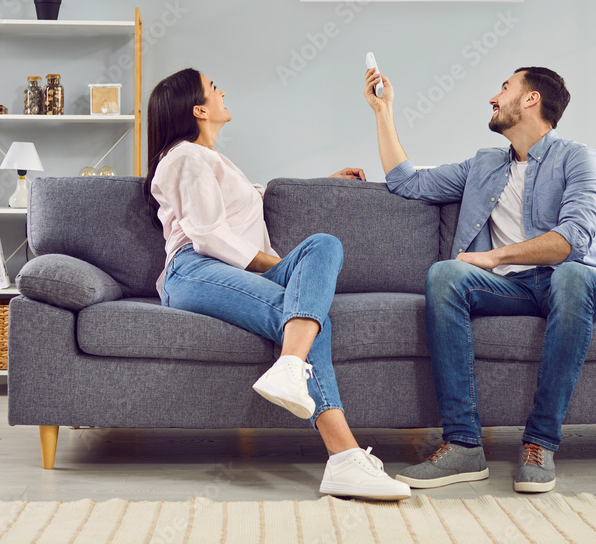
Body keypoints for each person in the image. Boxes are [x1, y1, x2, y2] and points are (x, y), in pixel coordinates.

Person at [145, 67, 410, 501]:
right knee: (305, 316)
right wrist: (279, 265)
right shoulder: (186, 157)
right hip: (193, 270)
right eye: (214, 88)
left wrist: (326, 184)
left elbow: (251, 201)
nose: (222, 90)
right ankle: (344, 457)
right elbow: (209, 236)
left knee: (323, 247)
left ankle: (290, 367)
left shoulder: (211, 160)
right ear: (198, 110)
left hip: (231, 271)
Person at [363, 65, 596, 493]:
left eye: (504, 88)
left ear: (531, 99)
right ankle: (462, 444)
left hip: (574, 282)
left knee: (570, 276)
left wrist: (494, 255)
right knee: (445, 274)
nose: (493, 98)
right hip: (512, 289)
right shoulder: (483, 165)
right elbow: (406, 182)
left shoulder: (579, 158)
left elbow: (572, 240)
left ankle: (539, 443)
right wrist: (382, 110)